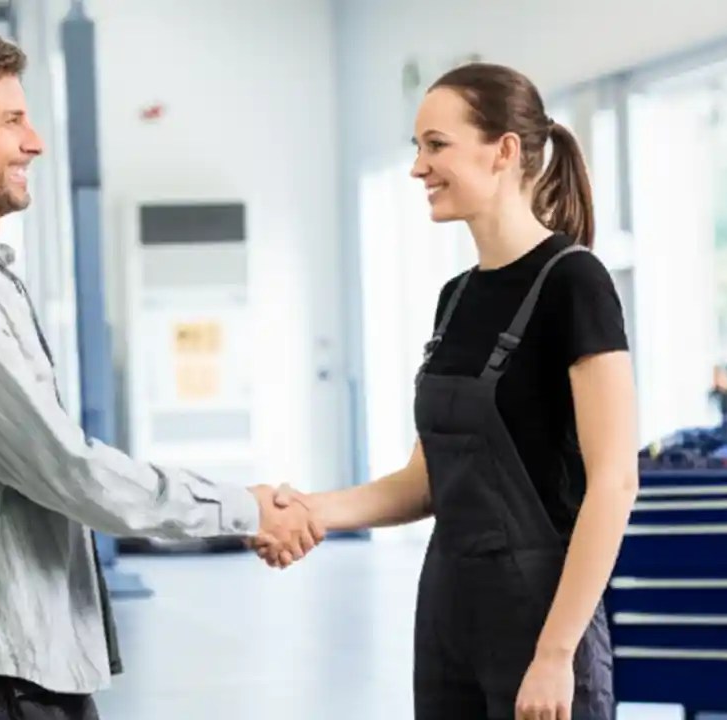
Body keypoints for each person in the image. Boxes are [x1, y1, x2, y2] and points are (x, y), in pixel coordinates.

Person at [0, 31, 322, 720]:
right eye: (11, 120)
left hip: (17, 668)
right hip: (0, 684)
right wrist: (245, 508)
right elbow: (67, 470)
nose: (34, 141)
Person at [252, 62, 639, 720]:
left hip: (543, 618)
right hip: (449, 615)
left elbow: (615, 481)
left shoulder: (575, 282)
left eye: (436, 145)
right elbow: (426, 482)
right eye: (416, 148)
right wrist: (311, 509)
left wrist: (554, 654)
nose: (418, 167)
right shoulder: (455, 300)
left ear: (504, 152)